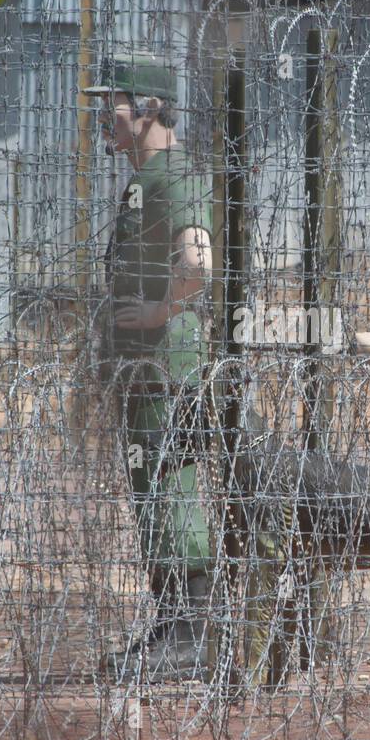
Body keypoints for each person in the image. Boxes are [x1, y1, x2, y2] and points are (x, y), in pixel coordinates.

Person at [86, 52, 217, 683]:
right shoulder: (150, 175)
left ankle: (193, 634)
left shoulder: (172, 175)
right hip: (144, 368)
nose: (101, 116)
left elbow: (199, 262)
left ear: (148, 109)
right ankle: (173, 626)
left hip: (165, 365)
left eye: (111, 103)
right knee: (152, 490)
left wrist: (160, 310)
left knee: (170, 487)